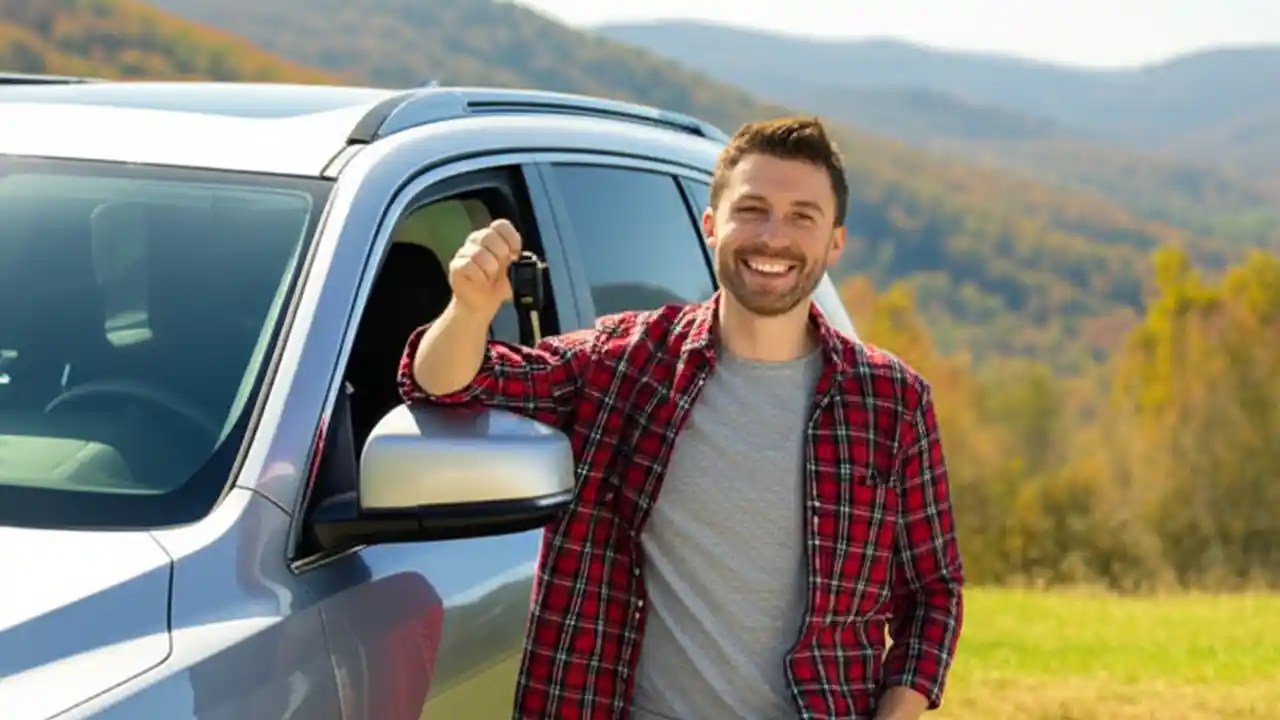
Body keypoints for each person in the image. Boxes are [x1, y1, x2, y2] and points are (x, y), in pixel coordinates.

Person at [398, 116, 964, 720]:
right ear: (711, 227)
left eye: (802, 215)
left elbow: (933, 593)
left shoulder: (891, 402)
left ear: (834, 242)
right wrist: (468, 307)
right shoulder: (626, 363)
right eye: (752, 210)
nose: (774, 237)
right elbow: (449, 385)